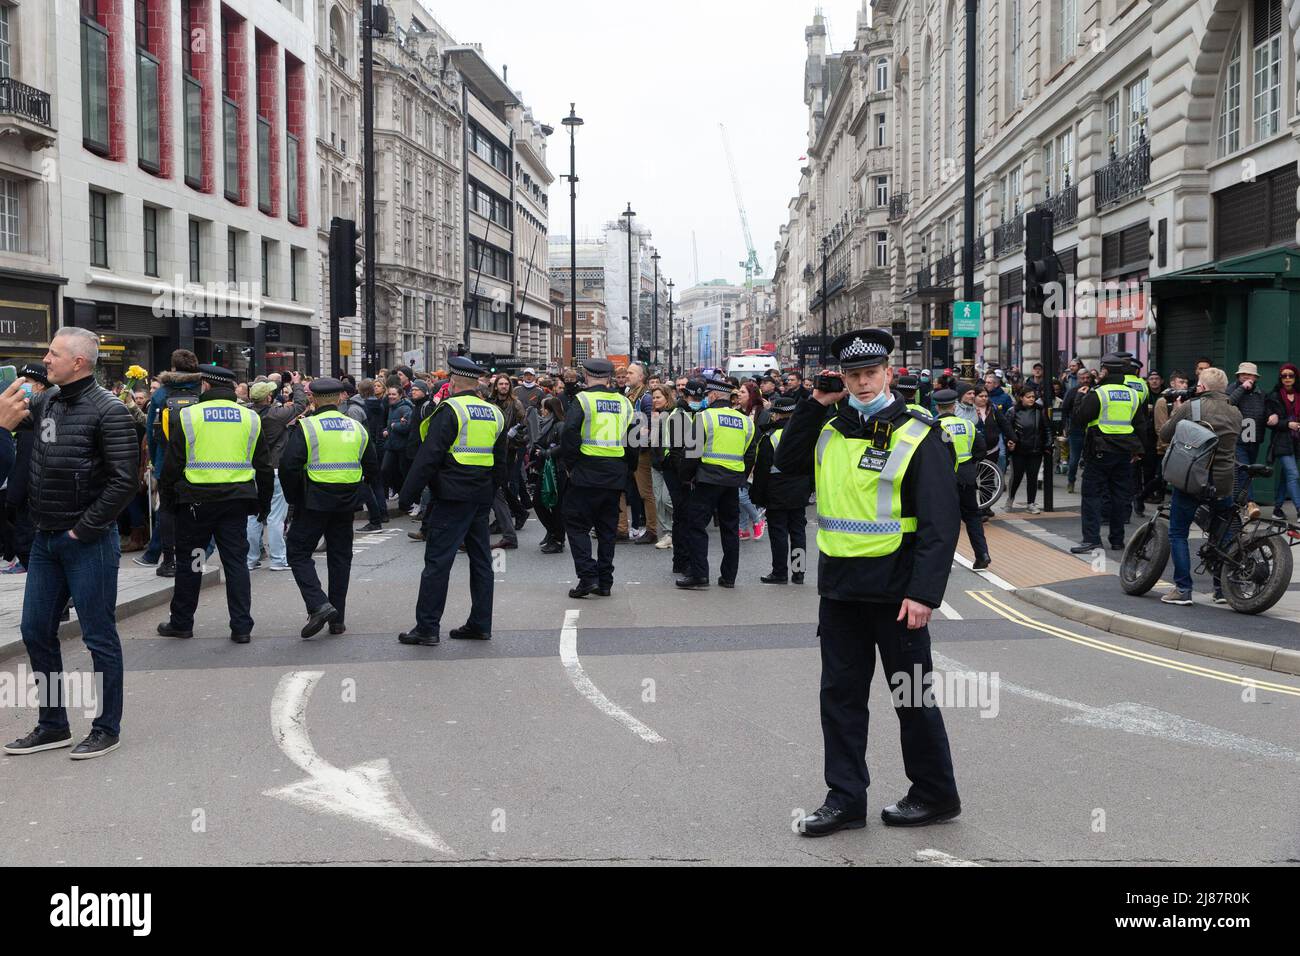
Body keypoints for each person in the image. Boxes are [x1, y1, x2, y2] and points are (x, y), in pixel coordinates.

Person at [775, 328, 961, 837]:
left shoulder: (919, 431)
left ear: (888, 373)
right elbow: (785, 464)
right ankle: (845, 799)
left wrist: (924, 593)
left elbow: (940, 523)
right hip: (840, 589)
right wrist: (815, 402)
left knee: (912, 697)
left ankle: (935, 793)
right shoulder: (830, 426)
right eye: (852, 375)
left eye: (869, 373)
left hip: (898, 591)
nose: (860, 383)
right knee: (839, 697)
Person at [8, 327, 138, 760]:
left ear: (78, 362)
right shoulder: (48, 401)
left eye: (52, 353)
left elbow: (123, 482)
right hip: (46, 540)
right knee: (35, 631)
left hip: (87, 542)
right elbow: (13, 421)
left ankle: (107, 727)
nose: (45, 359)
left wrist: (84, 529)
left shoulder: (110, 410)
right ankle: (53, 724)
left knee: (99, 637)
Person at [157, 365, 273, 644]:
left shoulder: (189, 416)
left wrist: (169, 503)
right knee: (236, 563)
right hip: (235, 502)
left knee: (193, 563)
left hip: (196, 503)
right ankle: (241, 627)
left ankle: (182, 622)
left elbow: (173, 465)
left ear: (206, 386)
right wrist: (264, 505)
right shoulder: (250, 417)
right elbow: (264, 466)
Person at [396, 356, 506, 645]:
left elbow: (428, 457)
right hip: (481, 496)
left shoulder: (450, 409)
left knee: (438, 561)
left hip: (452, 495)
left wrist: (408, 495)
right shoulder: (494, 413)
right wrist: (488, 489)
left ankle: (427, 627)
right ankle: (481, 623)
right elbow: (500, 462)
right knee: (481, 560)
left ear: (453, 382)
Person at [279, 378, 379, 638]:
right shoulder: (357, 427)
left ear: (313, 399)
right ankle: (338, 620)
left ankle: (318, 604)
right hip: (346, 503)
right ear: (340, 398)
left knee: (298, 552)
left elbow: (289, 466)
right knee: (340, 558)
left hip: (313, 502)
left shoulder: (308, 426)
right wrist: (358, 491)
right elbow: (372, 466)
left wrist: (294, 499)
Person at [1158, 368, 1242, 606]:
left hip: (1193, 480)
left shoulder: (1191, 407)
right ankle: (1221, 590)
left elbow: (1165, 435)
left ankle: (1183, 589)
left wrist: (1175, 412)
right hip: (1224, 482)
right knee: (1222, 535)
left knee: (1178, 533)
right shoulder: (1235, 412)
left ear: (1202, 387)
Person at [675, 375, 757, 590]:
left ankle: (699, 574)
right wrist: (740, 475)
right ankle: (729, 577)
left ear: (712, 395)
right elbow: (749, 454)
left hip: (708, 479)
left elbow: (692, 452)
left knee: (696, 526)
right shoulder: (745, 420)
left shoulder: (705, 417)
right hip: (732, 481)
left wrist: (685, 477)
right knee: (730, 529)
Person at [561, 358, 634, 598]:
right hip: (614, 472)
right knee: (607, 530)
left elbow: (570, 433)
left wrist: (571, 465)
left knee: (576, 525)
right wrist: (627, 469)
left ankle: (587, 575)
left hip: (586, 470)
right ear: (610, 376)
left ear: (585, 374)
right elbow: (633, 439)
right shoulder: (624, 402)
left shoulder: (583, 399)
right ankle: (605, 581)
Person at [1070, 354, 1146, 555]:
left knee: (1092, 496)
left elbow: (1079, 419)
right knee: (1120, 497)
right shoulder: (1132, 395)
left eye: (1102, 369)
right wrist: (1138, 451)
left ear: (1106, 371)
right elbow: (1140, 426)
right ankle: (1117, 540)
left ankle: (1092, 540)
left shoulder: (1099, 393)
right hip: (1124, 454)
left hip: (1100, 451)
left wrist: (1080, 397)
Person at [139, 350, 204, 576]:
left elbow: (151, 431)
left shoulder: (161, 394)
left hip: (166, 460)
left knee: (167, 511)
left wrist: (155, 461)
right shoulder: (201, 390)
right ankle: (195, 559)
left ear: (173, 368)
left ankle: (169, 561)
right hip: (197, 461)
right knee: (195, 511)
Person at [245, 374, 307, 571]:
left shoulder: (246, 414)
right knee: (275, 516)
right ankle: (278, 559)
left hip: (250, 469)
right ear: (268, 398)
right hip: (273, 468)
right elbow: (300, 405)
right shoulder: (275, 415)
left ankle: (250, 559)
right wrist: (296, 385)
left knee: (253, 516)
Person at [750, 396, 810, 584]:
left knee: (779, 534)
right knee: (798, 533)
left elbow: (761, 470)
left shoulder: (770, 438)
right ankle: (799, 573)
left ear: (775, 415)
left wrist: (757, 496)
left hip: (777, 490)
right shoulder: (804, 435)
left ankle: (780, 572)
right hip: (799, 490)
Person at [935, 389, 991, 569]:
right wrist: (969, 464)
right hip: (967, 477)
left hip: (944, 478)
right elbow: (981, 449)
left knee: (946, 521)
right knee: (973, 517)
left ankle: (946, 560)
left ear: (937, 407)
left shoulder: (935, 426)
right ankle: (982, 554)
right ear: (954, 406)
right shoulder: (968, 425)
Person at [1227, 362, 1267, 521]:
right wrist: (1243, 387)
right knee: (1244, 469)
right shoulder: (1232, 389)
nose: (1247, 377)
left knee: (1246, 474)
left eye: (1250, 375)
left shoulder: (1261, 393)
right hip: (1237, 439)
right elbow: (1229, 403)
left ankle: (1237, 507)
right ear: (1238, 376)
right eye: (1244, 374)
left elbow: (1266, 411)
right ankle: (1250, 503)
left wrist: (1271, 416)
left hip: (1254, 440)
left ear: (1255, 377)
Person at [529, 396, 567, 554]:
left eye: (544, 408)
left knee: (554, 506)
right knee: (539, 502)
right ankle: (553, 532)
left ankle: (558, 538)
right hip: (545, 469)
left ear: (551, 410)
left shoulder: (560, 425)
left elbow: (564, 447)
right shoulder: (545, 425)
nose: (541, 411)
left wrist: (546, 452)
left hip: (556, 470)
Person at [1004, 385, 1049, 514]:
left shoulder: (1040, 411)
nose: (1031, 399)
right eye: (1028, 397)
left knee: (1032, 477)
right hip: (1019, 450)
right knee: (1016, 476)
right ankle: (1010, 499)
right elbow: (1007, 430)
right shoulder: (1013, 411)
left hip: (1036, 449)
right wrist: (1010, 442)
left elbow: (1047, 428)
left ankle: (1031, 503)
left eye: (1033, 397)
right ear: (1021, 398)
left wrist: (1047, 443)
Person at [1265, 363, 1300, 518]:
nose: (1287, 378)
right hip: (1281, 440)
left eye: (1290, 375)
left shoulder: (1299, 394)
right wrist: (1287, 424)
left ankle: (1277, 509)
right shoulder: (1274, 396)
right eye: (1284, 375)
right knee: (1293, 474)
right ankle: (1299, 509)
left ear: (1295, 377)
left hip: (1296, 441)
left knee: (1286, 476)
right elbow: (1269, 422)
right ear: (1280, 378)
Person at [647, 385, 679, 551]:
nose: (655, 400)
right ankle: (669, 533)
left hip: (669, 465)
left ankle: (682, 524)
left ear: (667, 397)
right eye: (653, 397)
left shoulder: (673, 414)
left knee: (668, 499)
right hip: (655, 463)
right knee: (659, 501)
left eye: (658, 397)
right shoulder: (654, 415)